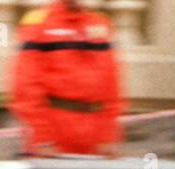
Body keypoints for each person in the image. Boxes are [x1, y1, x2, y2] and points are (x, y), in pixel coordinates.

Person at [8, 0, 122, 157]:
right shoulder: (37, 23)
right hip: (53, 136)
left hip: (95, 138)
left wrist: (108, 137)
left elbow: (111, 85)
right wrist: (43, 139)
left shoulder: (100, 23)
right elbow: (25, 87)